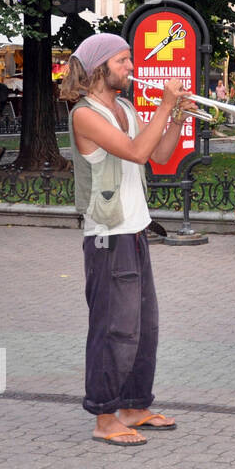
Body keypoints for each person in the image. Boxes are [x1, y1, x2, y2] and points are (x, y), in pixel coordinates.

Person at [61, 32, 191, 445]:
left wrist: (178, 118)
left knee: (143, 328)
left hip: (135, 229)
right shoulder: (85, 114)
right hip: (107, 236)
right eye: (123, 62)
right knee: (113, 329)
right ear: (100, 67)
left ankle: (134, 406)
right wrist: (167, 103)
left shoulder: (126, 108)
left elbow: (160, 155)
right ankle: (103, 417)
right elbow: (134, 152)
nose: (131, 69)